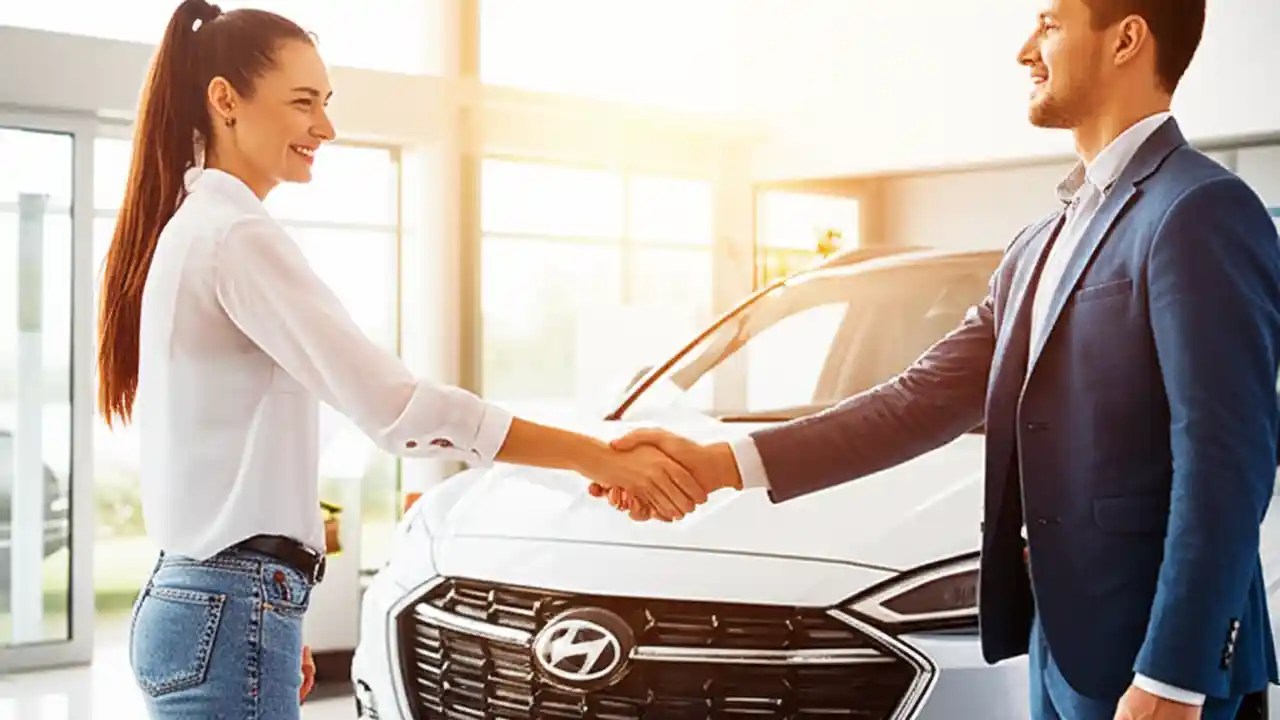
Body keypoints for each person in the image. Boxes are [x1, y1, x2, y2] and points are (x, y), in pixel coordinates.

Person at [594, 1, 1280, 718]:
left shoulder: (1199, 208)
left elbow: (1225, 462)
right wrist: (717, 464)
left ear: (1127, 39)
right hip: (1064, 641)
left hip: (1153, 657)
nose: (1025, 50)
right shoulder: (1038, 243)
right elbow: (916, 402)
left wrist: (1175, 675)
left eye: (1048, 24)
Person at [96, 2, 705, 717]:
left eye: (325, 104)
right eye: (303, 103)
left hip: (201, 596)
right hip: (228, 607)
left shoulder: (192, 229)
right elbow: (398, 410)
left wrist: (270, 613)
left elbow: (218, 453)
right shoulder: (236, 237)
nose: (325, 127)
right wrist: (597, 456)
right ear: (225, 100)